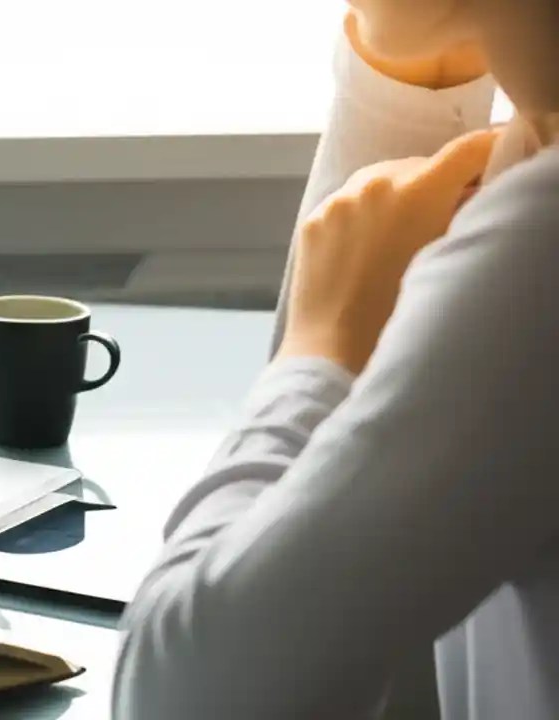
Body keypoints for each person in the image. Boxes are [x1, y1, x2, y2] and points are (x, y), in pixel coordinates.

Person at [116, 1, 559, 718]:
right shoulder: (532, 152)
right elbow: (364, 615)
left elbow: (188, 699)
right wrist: (410, 79)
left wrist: (320, 345)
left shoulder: (542, 244)